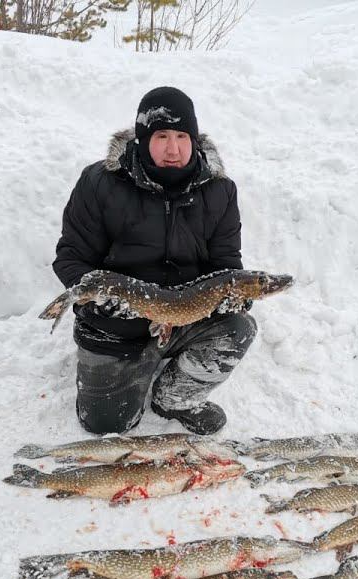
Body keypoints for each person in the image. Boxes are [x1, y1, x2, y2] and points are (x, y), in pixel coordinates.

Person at [52, 86, 256, 435]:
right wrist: (103, 304)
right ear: (144, 138)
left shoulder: (220, 191)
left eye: (181, 136)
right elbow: (72, 258)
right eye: (162, 136)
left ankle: (174, 395)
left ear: (194, 138)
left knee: (238, 329)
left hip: (182, 319)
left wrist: (234, 296)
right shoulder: (100, 183)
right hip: (115, 327)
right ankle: (131, 366)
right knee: (106, 425)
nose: (173, 148)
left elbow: (225, 265)